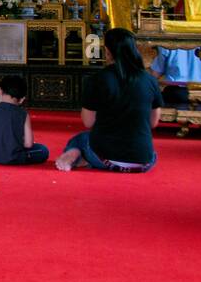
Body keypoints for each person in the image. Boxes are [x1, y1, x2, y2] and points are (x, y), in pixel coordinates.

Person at [57, 27, 162, 173]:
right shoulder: (150, 80)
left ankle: (76, 155)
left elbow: (88, 122)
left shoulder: (98, 79)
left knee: (80, 139)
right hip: (144, 161)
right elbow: (153, 122)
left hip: (106, 159)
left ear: (107, 50)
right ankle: (82, 156)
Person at [0, 74, 48, 164]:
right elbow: (28, 144)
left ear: (0, 91)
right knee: (43, 150)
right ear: (22, 99)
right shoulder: (23, 114)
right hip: (14, 158)